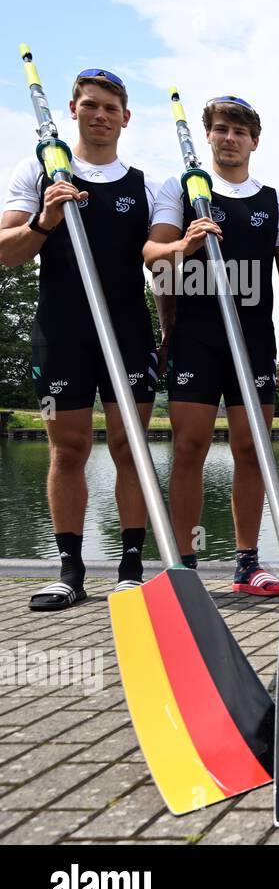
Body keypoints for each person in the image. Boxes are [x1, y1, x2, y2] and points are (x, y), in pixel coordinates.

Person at [1, 68, 176, 609]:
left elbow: (160, 267)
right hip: (62, 333)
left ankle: (130, 569)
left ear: (126, 118)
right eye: (91, 105)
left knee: (130, 448)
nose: (101, 115)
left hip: (127, 332)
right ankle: (70, 571)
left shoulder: (149, 186)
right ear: (73, 110)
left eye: (110, 108)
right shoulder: (39, 172)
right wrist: (44, 221)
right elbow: (7, 252)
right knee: (69, 448)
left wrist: (168, 332)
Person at [145, 95, 279, 595]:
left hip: (253, 341)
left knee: (251, 450)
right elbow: (153, 256)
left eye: (239, 131)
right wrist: (184, 245)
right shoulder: (182, 190)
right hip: (196, 338)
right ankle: (185, 563)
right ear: (208, 135)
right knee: (189, 447)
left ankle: (247, 564)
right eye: (220, 129)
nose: (229, 138)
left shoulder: (274, 201)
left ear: (254, 141)